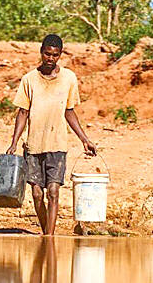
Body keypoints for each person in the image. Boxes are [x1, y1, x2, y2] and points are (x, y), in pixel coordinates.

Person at [5, 34, 97, 235]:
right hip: (33, 145)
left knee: (53, 192)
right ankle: (47, 233)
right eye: (47, 54)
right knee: (37, 194)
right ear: (41, 52)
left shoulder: (68, 78)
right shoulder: (29, 79)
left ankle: (49, 237)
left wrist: (84, 139)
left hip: (57, 144)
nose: (50, 58)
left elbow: (69, 111)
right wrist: (14, 142)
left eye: (55, 55)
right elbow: (23, 112)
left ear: (60, 55)